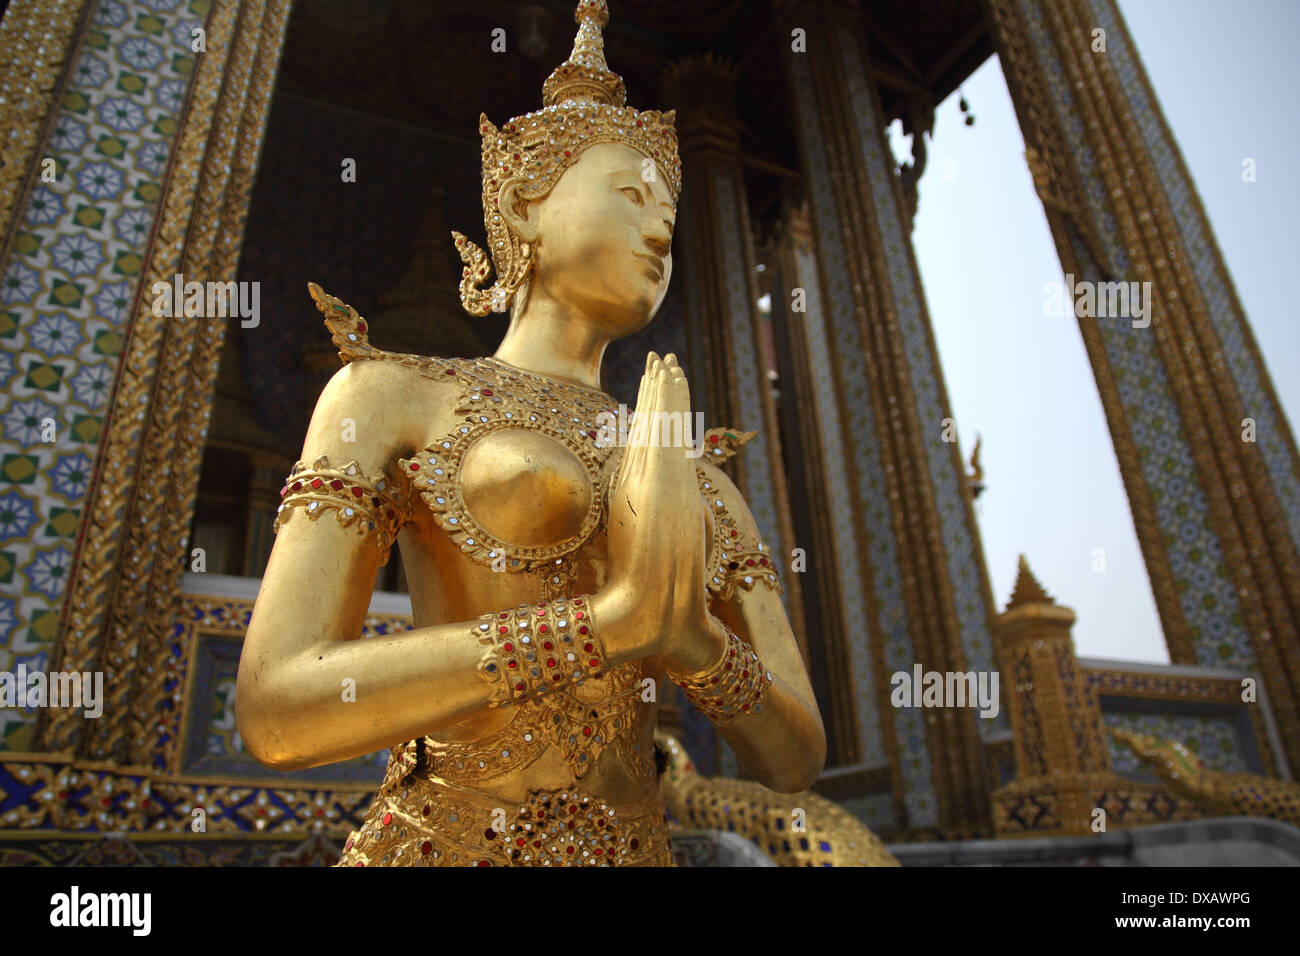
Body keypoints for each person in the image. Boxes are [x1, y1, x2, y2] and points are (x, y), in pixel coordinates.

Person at [235, 0, 824, 867]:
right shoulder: (393, 397)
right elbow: (278, 709)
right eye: (629, 193)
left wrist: (692, 642)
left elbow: (796, 755)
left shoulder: (693, 473)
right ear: (522, 204)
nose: (661, 224)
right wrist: (613, 624)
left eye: (668, 204)